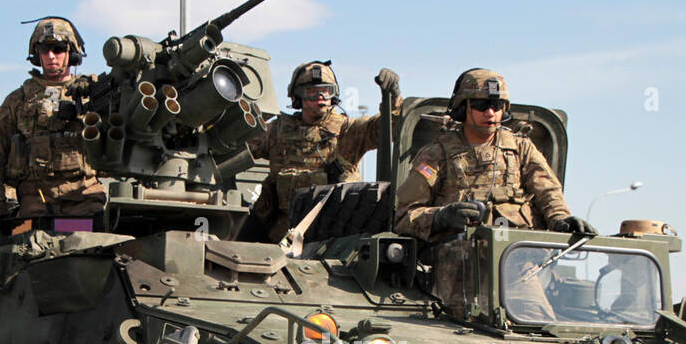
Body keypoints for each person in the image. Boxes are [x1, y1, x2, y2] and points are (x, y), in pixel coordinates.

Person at [394, 68, 595, 248]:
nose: (490, 112)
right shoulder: (436, 154)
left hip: (516, 267)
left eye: (497, 105)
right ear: (463, 108)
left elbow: (548, 193)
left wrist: (560, 219)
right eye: (481, 105)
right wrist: (440, 217)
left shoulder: (521, 148)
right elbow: (404, 216)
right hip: (456, 270)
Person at [242, 61, 401, 241]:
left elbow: (390, 129)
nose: (320, 96)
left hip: (334, 235)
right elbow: (237, 148)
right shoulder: (276, 132)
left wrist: (392, 98)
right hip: (283, 236)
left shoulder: (347, 131)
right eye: (312, 91)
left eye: (326, 91)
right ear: (298, 96)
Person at [0, 17, 105, 230]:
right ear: (36, 54)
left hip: (85, 204)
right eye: (44, 50)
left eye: (58, 49)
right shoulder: (18, 101)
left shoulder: (95, 94)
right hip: (35, 207)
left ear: (72, 52)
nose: (51, 56)